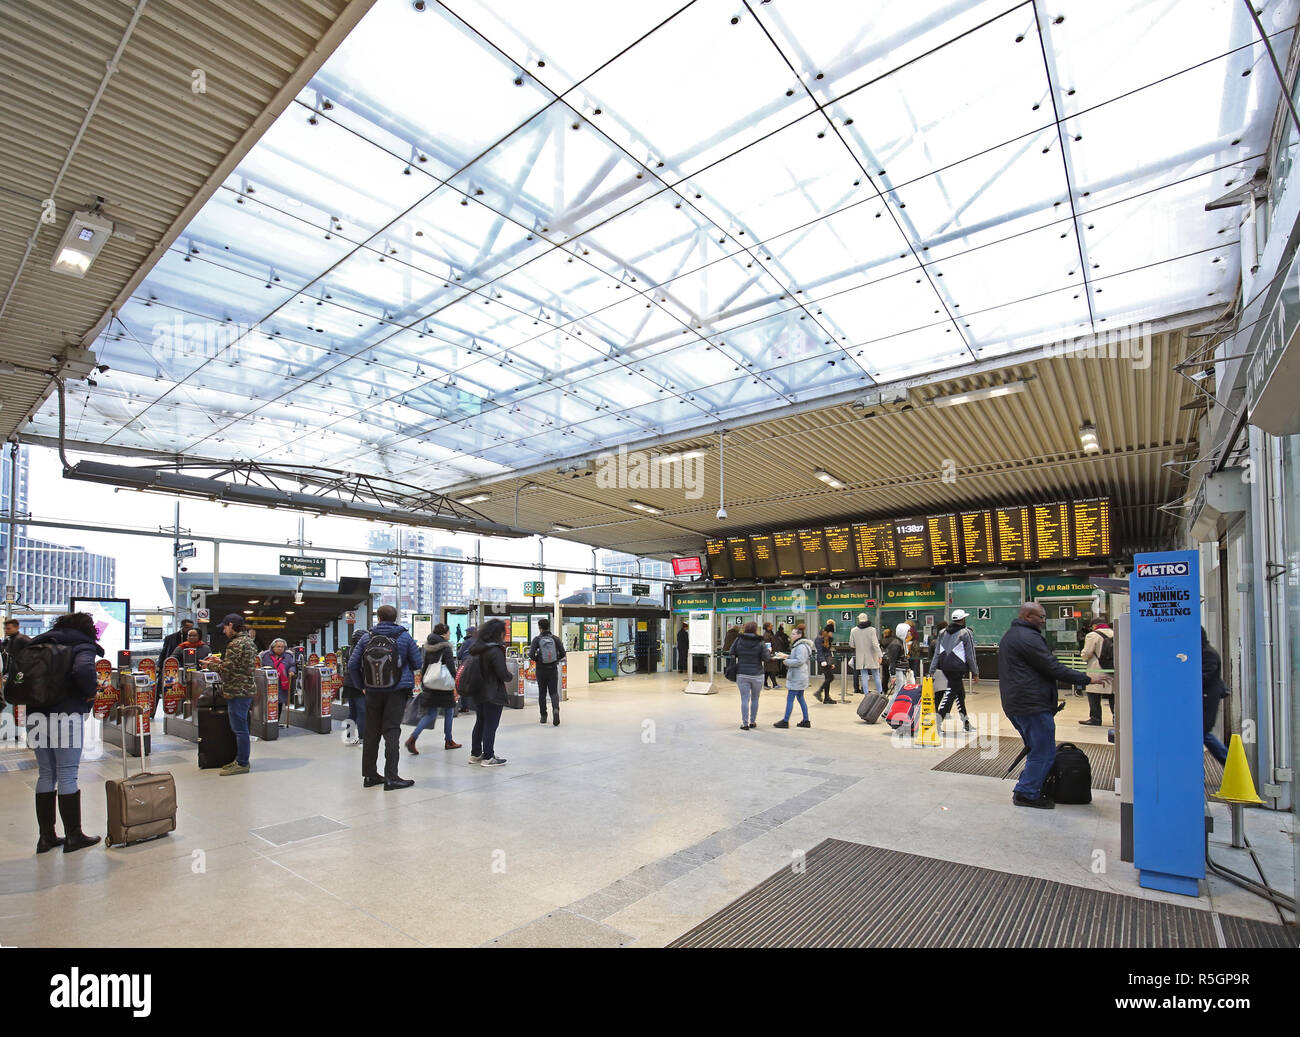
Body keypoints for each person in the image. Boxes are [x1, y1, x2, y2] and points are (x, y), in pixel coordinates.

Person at [998, 602, 1107, 808]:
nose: (1043, 620)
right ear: (1027, 616)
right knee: (1044, 751)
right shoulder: (1027, 638)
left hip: (1019, 702)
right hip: (1031, 704)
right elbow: (1052, 667)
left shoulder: (1012, 635)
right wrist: (1087, 679)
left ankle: (1027, 787)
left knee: (1037, 748)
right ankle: (1026, 793)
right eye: (1041, 616)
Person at [25, 612, 103, 853]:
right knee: (68, 773)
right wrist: (90, 691)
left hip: (36, 713)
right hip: (66, 714)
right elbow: (83, 671)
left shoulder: (39, 642)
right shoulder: (82, 645)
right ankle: (73, 836)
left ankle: (46, 837)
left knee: (46, 773)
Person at [348, 605, 422, 790]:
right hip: (396, 691)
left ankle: (370, 775)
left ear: (379, 618)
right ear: (395, 618)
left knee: (371, 732)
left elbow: (352, 665)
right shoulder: (404, 636)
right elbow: (418, 663)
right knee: (391, 731)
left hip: (372, 691)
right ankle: (391, 777)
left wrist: (362, 686)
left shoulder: (367, 637)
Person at [201, 614, 258, 776]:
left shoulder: (235, 643)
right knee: (241, 728)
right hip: (245, 689)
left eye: (225, 627)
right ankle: (240, 759)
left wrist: (210, 666)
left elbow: (228, 669)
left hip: (236, 690)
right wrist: (220, 663)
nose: (224, 630)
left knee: (240, 729)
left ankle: (242, 763)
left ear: (231, 625)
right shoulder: (248, 642)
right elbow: (238, 665)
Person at [465, 618, 511, 766]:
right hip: (493, 693)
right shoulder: (495, 650)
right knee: (491, 725)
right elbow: (503, 674)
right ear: (499, 633)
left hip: (478, 691)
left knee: (480, 722)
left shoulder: (477, 648)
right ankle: (489, 757)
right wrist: (510, 676)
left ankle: (475, 753)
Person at [406, 625, 460, 753]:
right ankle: (449, 740)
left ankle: (412, 739)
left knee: (430, 714)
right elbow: (452, 669)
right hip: (444, 686)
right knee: (449, 712)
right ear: (443, 634)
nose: (450, 634)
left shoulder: (428, 646)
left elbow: (424, 666)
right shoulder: (446, 648)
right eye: (449, 632)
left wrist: (424, 683)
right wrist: (457, 683)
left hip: (431, 684)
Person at [934, 609, 979, 732]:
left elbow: (937, 653)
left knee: (960, 695)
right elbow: (970, 655)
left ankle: (966, 723)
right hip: (957, 669)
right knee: (949, 696)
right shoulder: (966, 632)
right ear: (963, 619)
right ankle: (937, 723)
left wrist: (932, 669)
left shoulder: (943, 632)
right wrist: (975, 672)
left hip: (944, 667)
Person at [728, 620, 769, 730]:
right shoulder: (760, 642)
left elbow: (731, 652)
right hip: (757, 674)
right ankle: (752, 721)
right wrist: (768, 651)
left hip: (742, 673)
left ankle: (745, 724)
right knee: (755, 698)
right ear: (756, 630)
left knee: (745, 699)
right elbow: (766, 658)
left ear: (745, 629)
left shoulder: (739, 640)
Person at [772, 623, 812, 729]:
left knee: (790, 698)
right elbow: (798, 658)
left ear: (799, 635)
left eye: (794, 634)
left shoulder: (800, 647)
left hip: (797, 677)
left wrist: (786, 662)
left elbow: (799, 660)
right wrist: (786, 656)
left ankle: (785, 721)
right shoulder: (801, 646)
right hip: (800, 676)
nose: (791, 636)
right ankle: (806, 720)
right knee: (800, 697)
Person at [529, 617, 567, 726]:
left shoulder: (536, 640)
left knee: (542, 692)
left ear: (539, 627)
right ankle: (555, 709)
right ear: (548, 626)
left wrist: (539, 660)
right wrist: (555, 660)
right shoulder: (555, 639)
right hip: (552, 669)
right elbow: (563, 653)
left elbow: (531, 654)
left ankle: (543, 716)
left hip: (541, 670)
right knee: (554, 692)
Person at [1078, 616, 1115, 726]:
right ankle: (1116, 718)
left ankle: (1095, 718)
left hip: (1096, 668)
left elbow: (1087, 653)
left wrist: (1083, 655)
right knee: (1113, 694)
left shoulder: (1092, 635)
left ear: (1094, 626)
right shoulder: (1114, 633)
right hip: (1112, 667)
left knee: (1093, 694)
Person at [1201, 627, 1229, 765]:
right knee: (1202, 733)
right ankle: (1228, 762)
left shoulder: (1208, 654)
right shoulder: (1206, 652)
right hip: (1207, 699)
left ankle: (1228, 761)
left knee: (1203, 732)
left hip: (1208, 701)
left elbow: (1204, 677)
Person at [259, 637, 295, 720]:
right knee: (269, 702)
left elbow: (292, 665)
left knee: (279, 702)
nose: (280, 649)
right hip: (268, 683)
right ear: (273, 647)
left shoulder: (288, 656)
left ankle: (276, 721)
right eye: (278, 647)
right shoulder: (264, 655)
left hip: (282, 683)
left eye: (282, 647)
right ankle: (267, 719)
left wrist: (292, 671)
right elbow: (259, 666)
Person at [849, 613, 882, 697]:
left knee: (864, 675)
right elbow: (875, 643)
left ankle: (866, 694)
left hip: (860, 656)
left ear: (859, 619)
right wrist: (880, 655)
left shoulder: (853, 630)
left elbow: (851, 644)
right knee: (876, 674)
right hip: (872, 656)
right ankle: (880, 692)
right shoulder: (872, 630)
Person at [340, 643, 365, 746]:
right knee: (362, 713)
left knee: (353, 712)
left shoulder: (350, 650)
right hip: (358, 685)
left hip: (348, 684)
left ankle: (350, 736)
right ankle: (362, 738)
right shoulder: (361, 650)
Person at [456, 625, 478, 715]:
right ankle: (476, 705)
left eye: (467, 632)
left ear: (470, 633)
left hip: (467, 665)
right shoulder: (479, 641)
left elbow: (459, 655)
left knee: (464, 684)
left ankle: (465, 707)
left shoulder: (466, 642)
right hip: (478, 665)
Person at [815, 621, 837, 704]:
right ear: (827, 632)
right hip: (822, 661)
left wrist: (831, 662)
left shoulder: (827, 639)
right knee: (830, 677)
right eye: (831, 632)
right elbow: (820, 651)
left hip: (827, 660)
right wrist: (823, 661)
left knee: (828, 678)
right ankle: (819, 692)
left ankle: (827, 698)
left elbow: (828, 651)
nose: (832, 634)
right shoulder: (819, 639)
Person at [761, 622, 780, 689]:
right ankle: (774, 684)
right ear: (767, 627)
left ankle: (765, 684)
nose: (772, 626)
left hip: (771, 653)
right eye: (771, 625)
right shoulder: (767, 635)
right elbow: (767, 645)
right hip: (769, 654)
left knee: (768, 669)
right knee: (771, 669)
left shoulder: (770, 633)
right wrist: (770, 654)